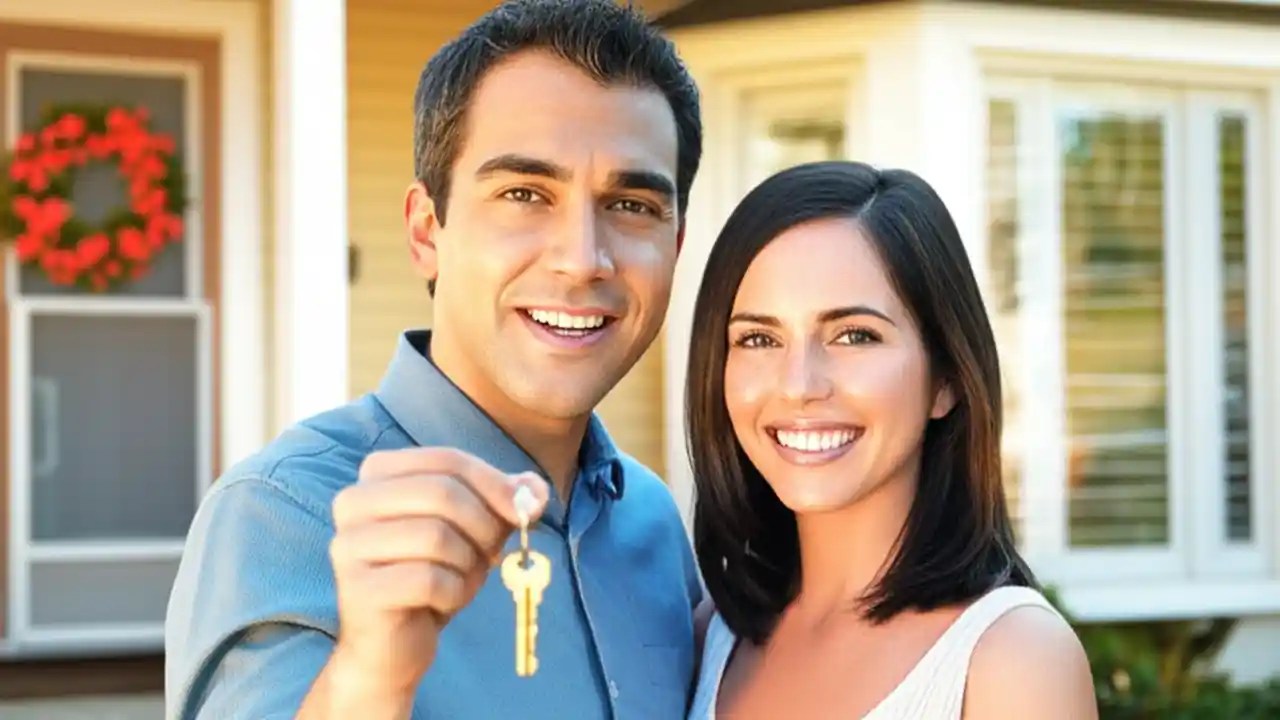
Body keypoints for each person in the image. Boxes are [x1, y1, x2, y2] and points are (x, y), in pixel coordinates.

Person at [164, 1, 704, 718]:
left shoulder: (653, 523)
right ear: (427, 231)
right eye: (523, 194)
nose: (583, 259)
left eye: (632, 205)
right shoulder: (287, 514)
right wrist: (370, 677)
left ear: (676, 243)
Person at [683, 161, 1098, 719]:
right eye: (759, 338)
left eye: (855, 335)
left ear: (946, 378)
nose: (799, 385)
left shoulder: (1014, 659)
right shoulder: (712, 638)